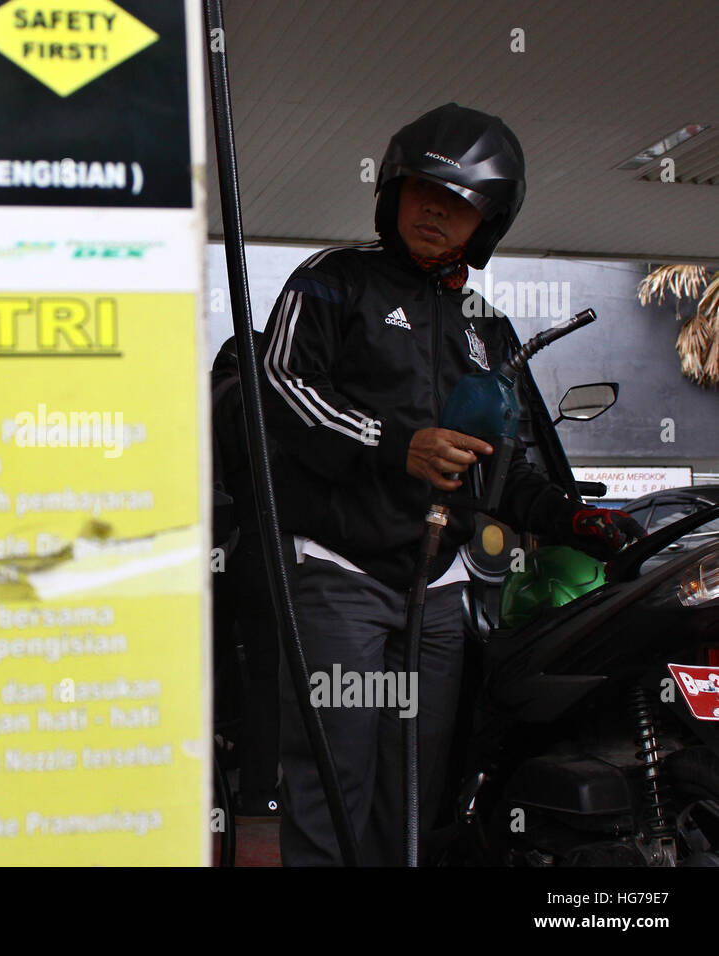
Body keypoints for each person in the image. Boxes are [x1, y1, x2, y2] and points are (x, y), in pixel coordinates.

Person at [251, 102, 645, 865]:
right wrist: (397, 445)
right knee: (334, 780)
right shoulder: (333, 282)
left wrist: (574, 520)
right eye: (423, 190)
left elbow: (506, 471)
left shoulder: (485, 328)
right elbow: (282, 390)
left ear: (487, 222)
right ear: (391, 192)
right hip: (341, 576)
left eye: (459, 201)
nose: (435, 210)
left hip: (439, 593)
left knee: (415, 795)